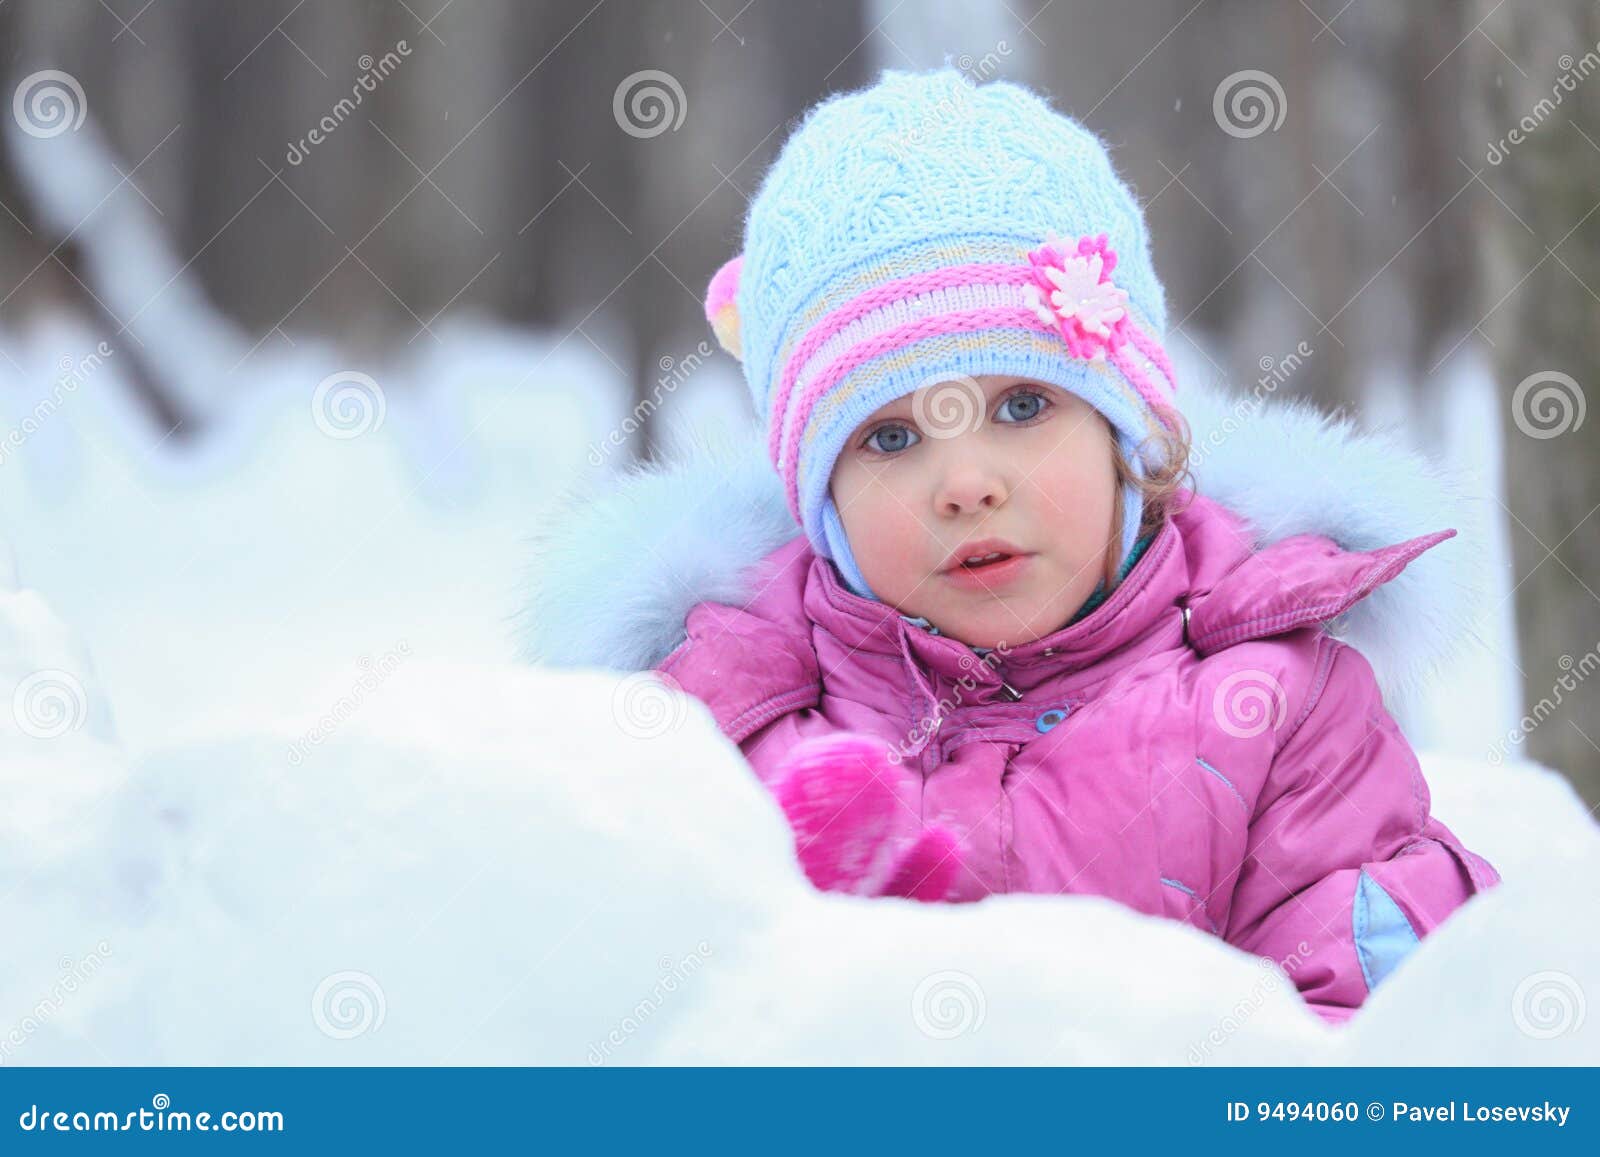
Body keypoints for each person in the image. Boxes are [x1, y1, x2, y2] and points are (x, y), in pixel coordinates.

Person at [523, 69, 1500, 1024]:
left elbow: (1374, 1048)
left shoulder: (1277, 705)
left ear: (1128, 440)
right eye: (890, 438)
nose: (966, 483)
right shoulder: (727, 724)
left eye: (1023, 405)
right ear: (818, 503)